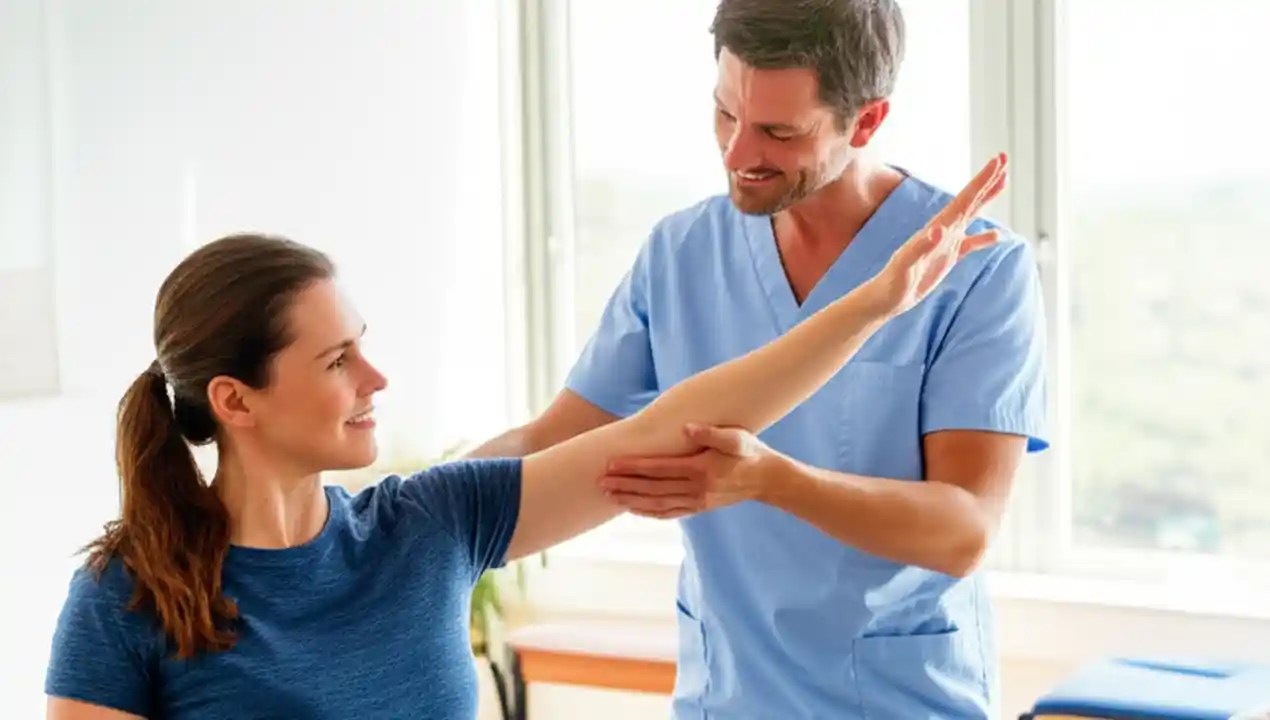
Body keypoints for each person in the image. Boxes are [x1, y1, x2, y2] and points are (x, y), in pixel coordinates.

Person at [42, 155, 1007, 719]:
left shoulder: (430, 524)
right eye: (336, 361)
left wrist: (875, 305)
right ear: (236, 400)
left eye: (364, 347)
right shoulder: (125, 598)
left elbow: (677, 423)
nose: (375, 379)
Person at [465, 1, 1048, 717]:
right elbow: (553, 440)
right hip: (726, 695)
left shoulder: (976, 269)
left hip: (895, 699)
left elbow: (965, 529)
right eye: (725, 114)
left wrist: (772, 481)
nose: (737, 153)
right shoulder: (681, 253)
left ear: (865, 122)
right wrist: (389, 515)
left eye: (778, 132)